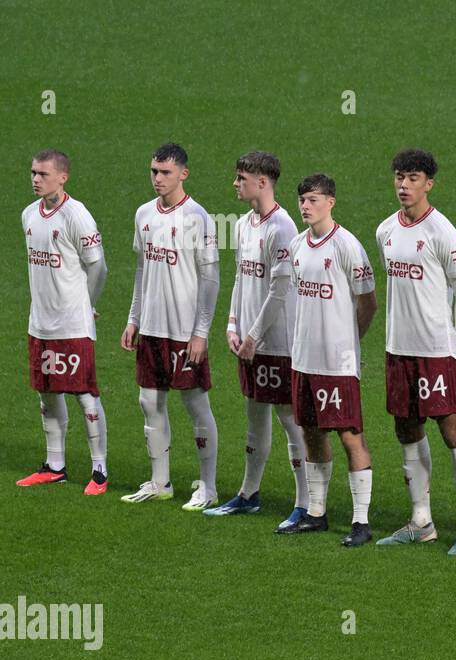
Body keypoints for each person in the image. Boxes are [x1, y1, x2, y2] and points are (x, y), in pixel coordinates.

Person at [374, 149, 456, 550]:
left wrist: (454, 349)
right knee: (406, 428)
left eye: (413, 178)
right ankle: (421, 520)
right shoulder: (385, 231)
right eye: (399, 177)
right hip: (398, 349)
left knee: (451, 427)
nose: (404, 185)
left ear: (429, 184)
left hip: (436, 352)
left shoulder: (444, 234)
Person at [206, 151, 311, 531]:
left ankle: (306, 503)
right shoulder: (244, 223)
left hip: (278, 342)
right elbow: (241, 277)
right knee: (254, 413)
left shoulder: (281, 227)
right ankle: (249, 494)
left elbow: (280, 289)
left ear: (262, 182)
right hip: (248, 340)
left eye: (241, 178)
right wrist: (233, 324)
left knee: (289, 419)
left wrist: (254, 334)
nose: (235, 184)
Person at [277, 174, 378, 547]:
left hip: (337, 364)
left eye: (314, 199)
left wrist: (349, 341)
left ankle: (361, 522)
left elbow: (368, 302)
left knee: (350, 435)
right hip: (303, 361)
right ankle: (316, 513)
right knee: (311, 433)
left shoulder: (348, 245)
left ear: (331, 202)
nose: (306, 206)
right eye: (302, 199)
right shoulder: (297, 245)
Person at [120, 143, 221, 510]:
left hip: (184, 332)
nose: (157, 179)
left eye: (164, 172)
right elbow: (143, 269)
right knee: (149, 401)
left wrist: (201, 332)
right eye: (153, 171)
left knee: (196, 405)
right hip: (152, 328)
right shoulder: (144, 214)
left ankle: (207, 487)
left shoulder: (199, 218)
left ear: (183, 174)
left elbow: (211, 279)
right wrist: (134, 319)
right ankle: (160, 482)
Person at [19, 149, 110, 495]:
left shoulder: (77, 215)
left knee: (84, 394)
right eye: (33, 173)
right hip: (40, 323)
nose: (35, 179)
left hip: (73, 325)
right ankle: (54, 465)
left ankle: (99, 469)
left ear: (63, 177)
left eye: (42, 174)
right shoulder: (29, 215)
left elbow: (98, 267)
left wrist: (87, 306)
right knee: (47, 391)